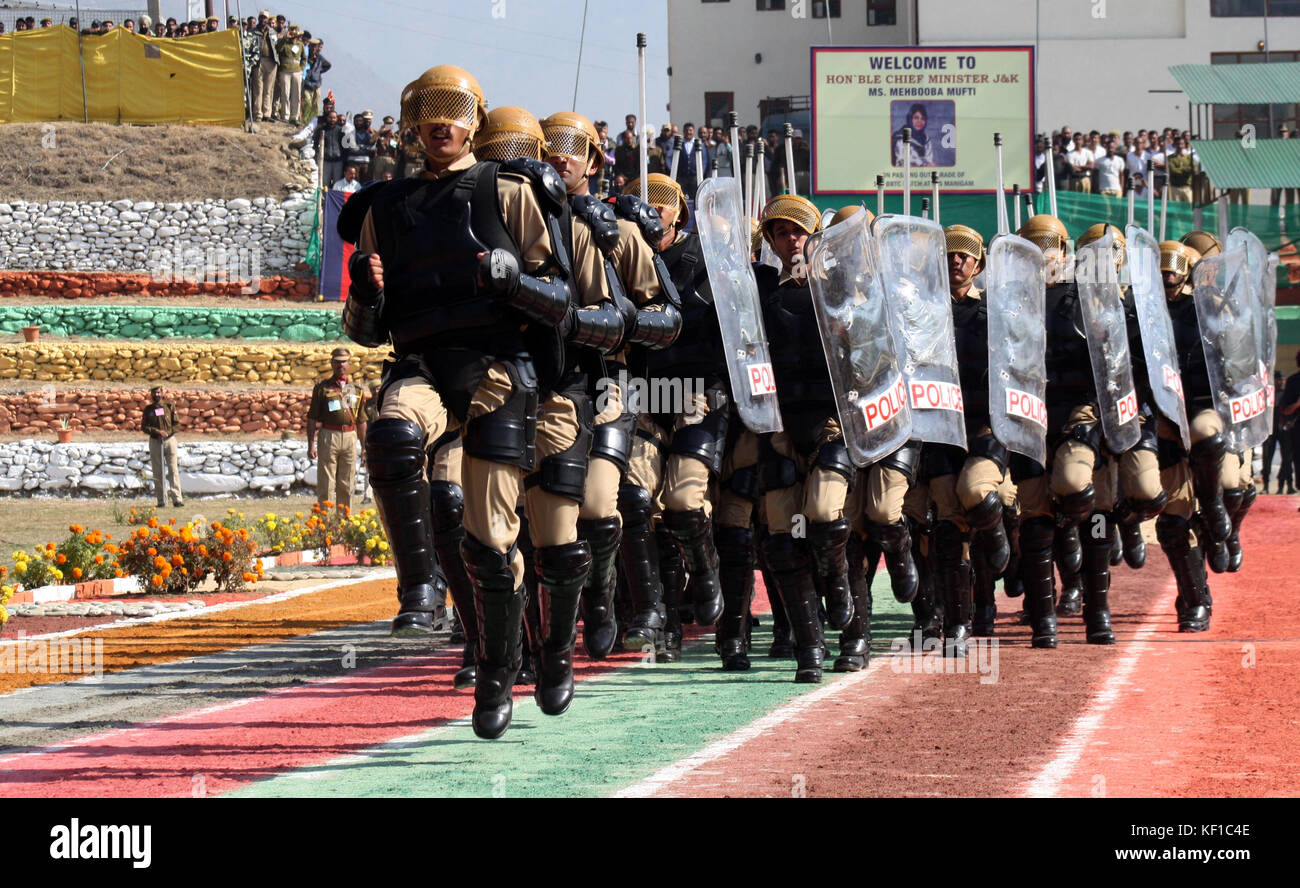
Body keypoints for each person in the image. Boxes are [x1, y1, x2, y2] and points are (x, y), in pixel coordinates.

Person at [340, 66, 610, 740]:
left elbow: (565, 305)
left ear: (475, 121)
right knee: (393, 438)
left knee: (494, 543)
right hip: (424, 368)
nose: (442, 122)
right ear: (409, 121)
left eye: (455, 109)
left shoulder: (509, 191)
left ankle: (517, 663)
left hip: (499, 373)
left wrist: (513, 280)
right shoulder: (384, 209)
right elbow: (363, 331)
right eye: (429, 109)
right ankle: (421, 592)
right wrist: (368, 295)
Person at [307, 347, 366, 512]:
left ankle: (343, 522)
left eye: (344, 362)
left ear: (349, 364)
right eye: (337, 362)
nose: (341, 365)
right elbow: (312, 417)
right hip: (329, 435)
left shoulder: (355, 390)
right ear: (332, 363)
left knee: (347, 483)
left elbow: (361, 420)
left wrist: (364, 447)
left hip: (350, 436)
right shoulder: (322, 388)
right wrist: (311, 443)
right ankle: (324, 524)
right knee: (326, 483)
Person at [141, 387, 184, 509]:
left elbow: (177, 424)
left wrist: (166, 433)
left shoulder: (169, 406)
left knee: (173, 469)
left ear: (162, 393)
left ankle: (177, 499)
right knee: (158, 471)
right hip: (155, 441)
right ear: (151, 394)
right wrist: (157, 432)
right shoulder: (148, 409)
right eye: (155, 392)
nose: (157, 394)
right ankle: (161, 500)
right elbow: (144, 427)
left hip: (169, 440)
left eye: (159, 392)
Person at [1262, 370, 1295, 494]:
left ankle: (1286, 485)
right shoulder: (1269, 394)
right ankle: (1266, 486)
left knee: (1287, 458)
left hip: (1284, 429)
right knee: (1267, 458)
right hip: (1270, 430)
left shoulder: (1287, 393)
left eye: (1283, 379)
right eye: (1279, 379)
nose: (1281, 382)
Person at [274, 24, 305, 124]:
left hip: (296, 71)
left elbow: (304, 58)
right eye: (292, 32)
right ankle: (285, 116)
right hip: (285, 70)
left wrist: (301, 68)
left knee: (296, 95)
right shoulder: (284, 43)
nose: (294, 34)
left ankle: (294, 117)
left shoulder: (300, 45)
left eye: (295, 32)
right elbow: (278, 49)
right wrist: (284, 38)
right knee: (285, 94)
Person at [893, 103, 935, 167]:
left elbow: (929, 159)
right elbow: (901, 162)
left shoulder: (926, 139)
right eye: (916, 118)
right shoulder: (902, 137)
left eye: (923, 118)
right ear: (910, 119)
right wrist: (922, 164)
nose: (919, 121)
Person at [300, 38, 330, 126]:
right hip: (306, 83)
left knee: (316, 104)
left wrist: (318, 72)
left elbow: (328, 65)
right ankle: (304, 120)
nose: (313, 49)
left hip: (316, 84)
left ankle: (313, 122)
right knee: (307, 102)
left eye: (315, 47)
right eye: (312, 46)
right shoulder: (305, 55)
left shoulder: (319, 58)